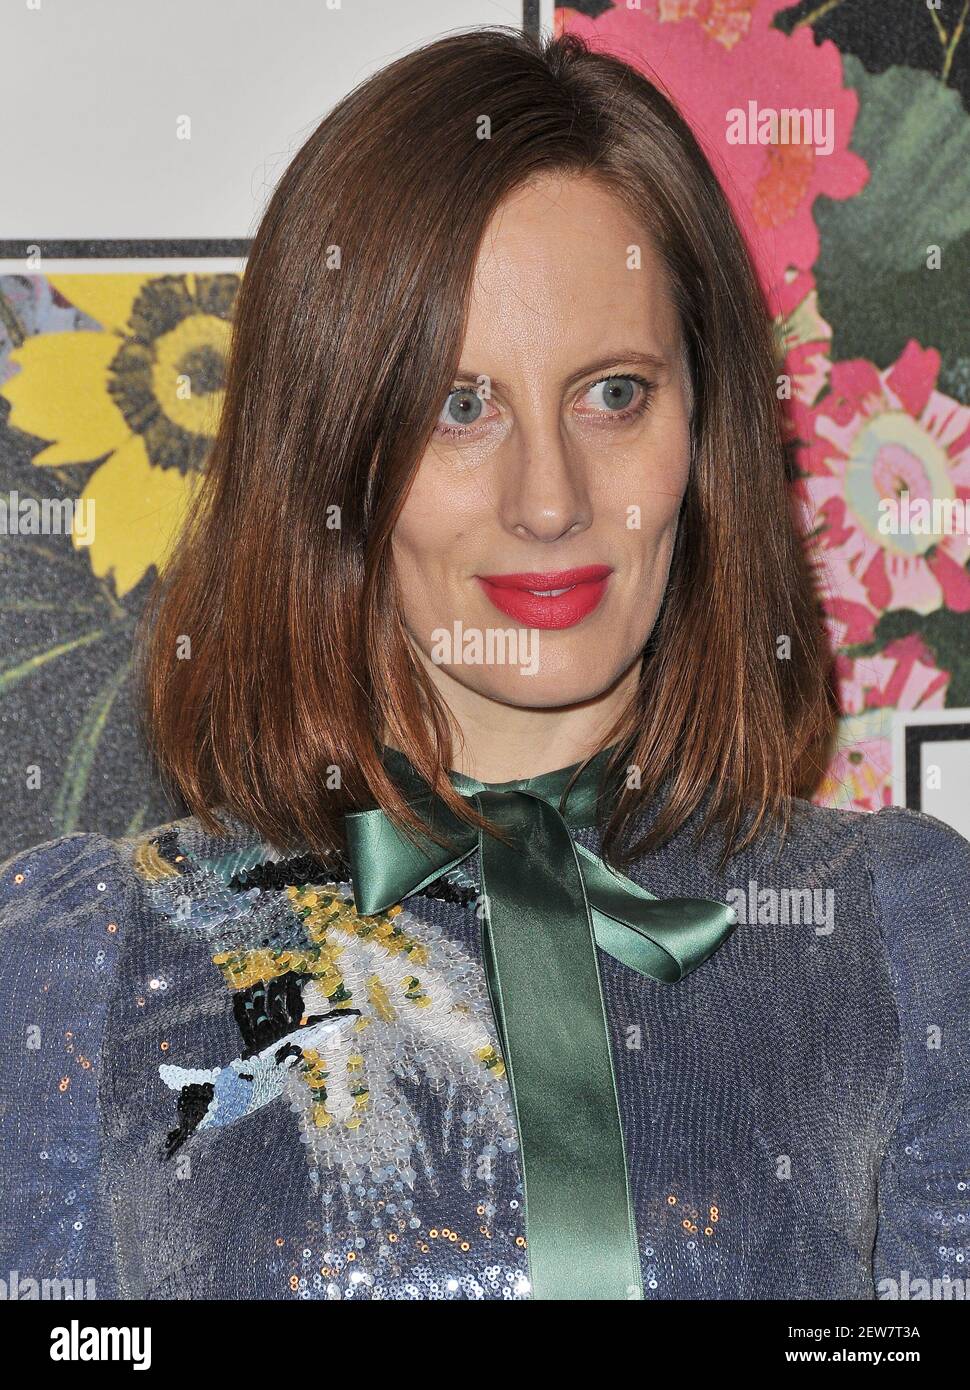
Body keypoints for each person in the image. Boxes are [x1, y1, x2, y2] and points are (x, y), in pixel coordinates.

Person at [1, 25, 967, 1303]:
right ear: (334, 455)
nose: (550, 498)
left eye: (612, 393)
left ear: (706, 424)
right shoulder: (87, 963)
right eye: (463, 406)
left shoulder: (905, 936)